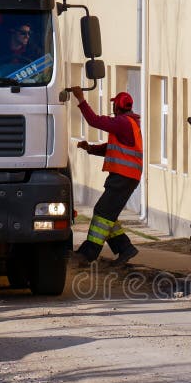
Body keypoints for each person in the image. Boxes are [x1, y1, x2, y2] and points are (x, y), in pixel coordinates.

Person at [72, 87, 142, 265]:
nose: (113, 109)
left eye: (114, 106)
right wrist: (90, 148)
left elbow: (94, 120)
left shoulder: (123, 122)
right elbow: (111, 148)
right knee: (107, 214)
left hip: (123, 178)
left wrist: (81, 99)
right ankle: (125, 249)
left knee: (102, 212)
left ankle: (88, 253)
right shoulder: (129, 124)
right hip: (125, 177)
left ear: (118, 107)